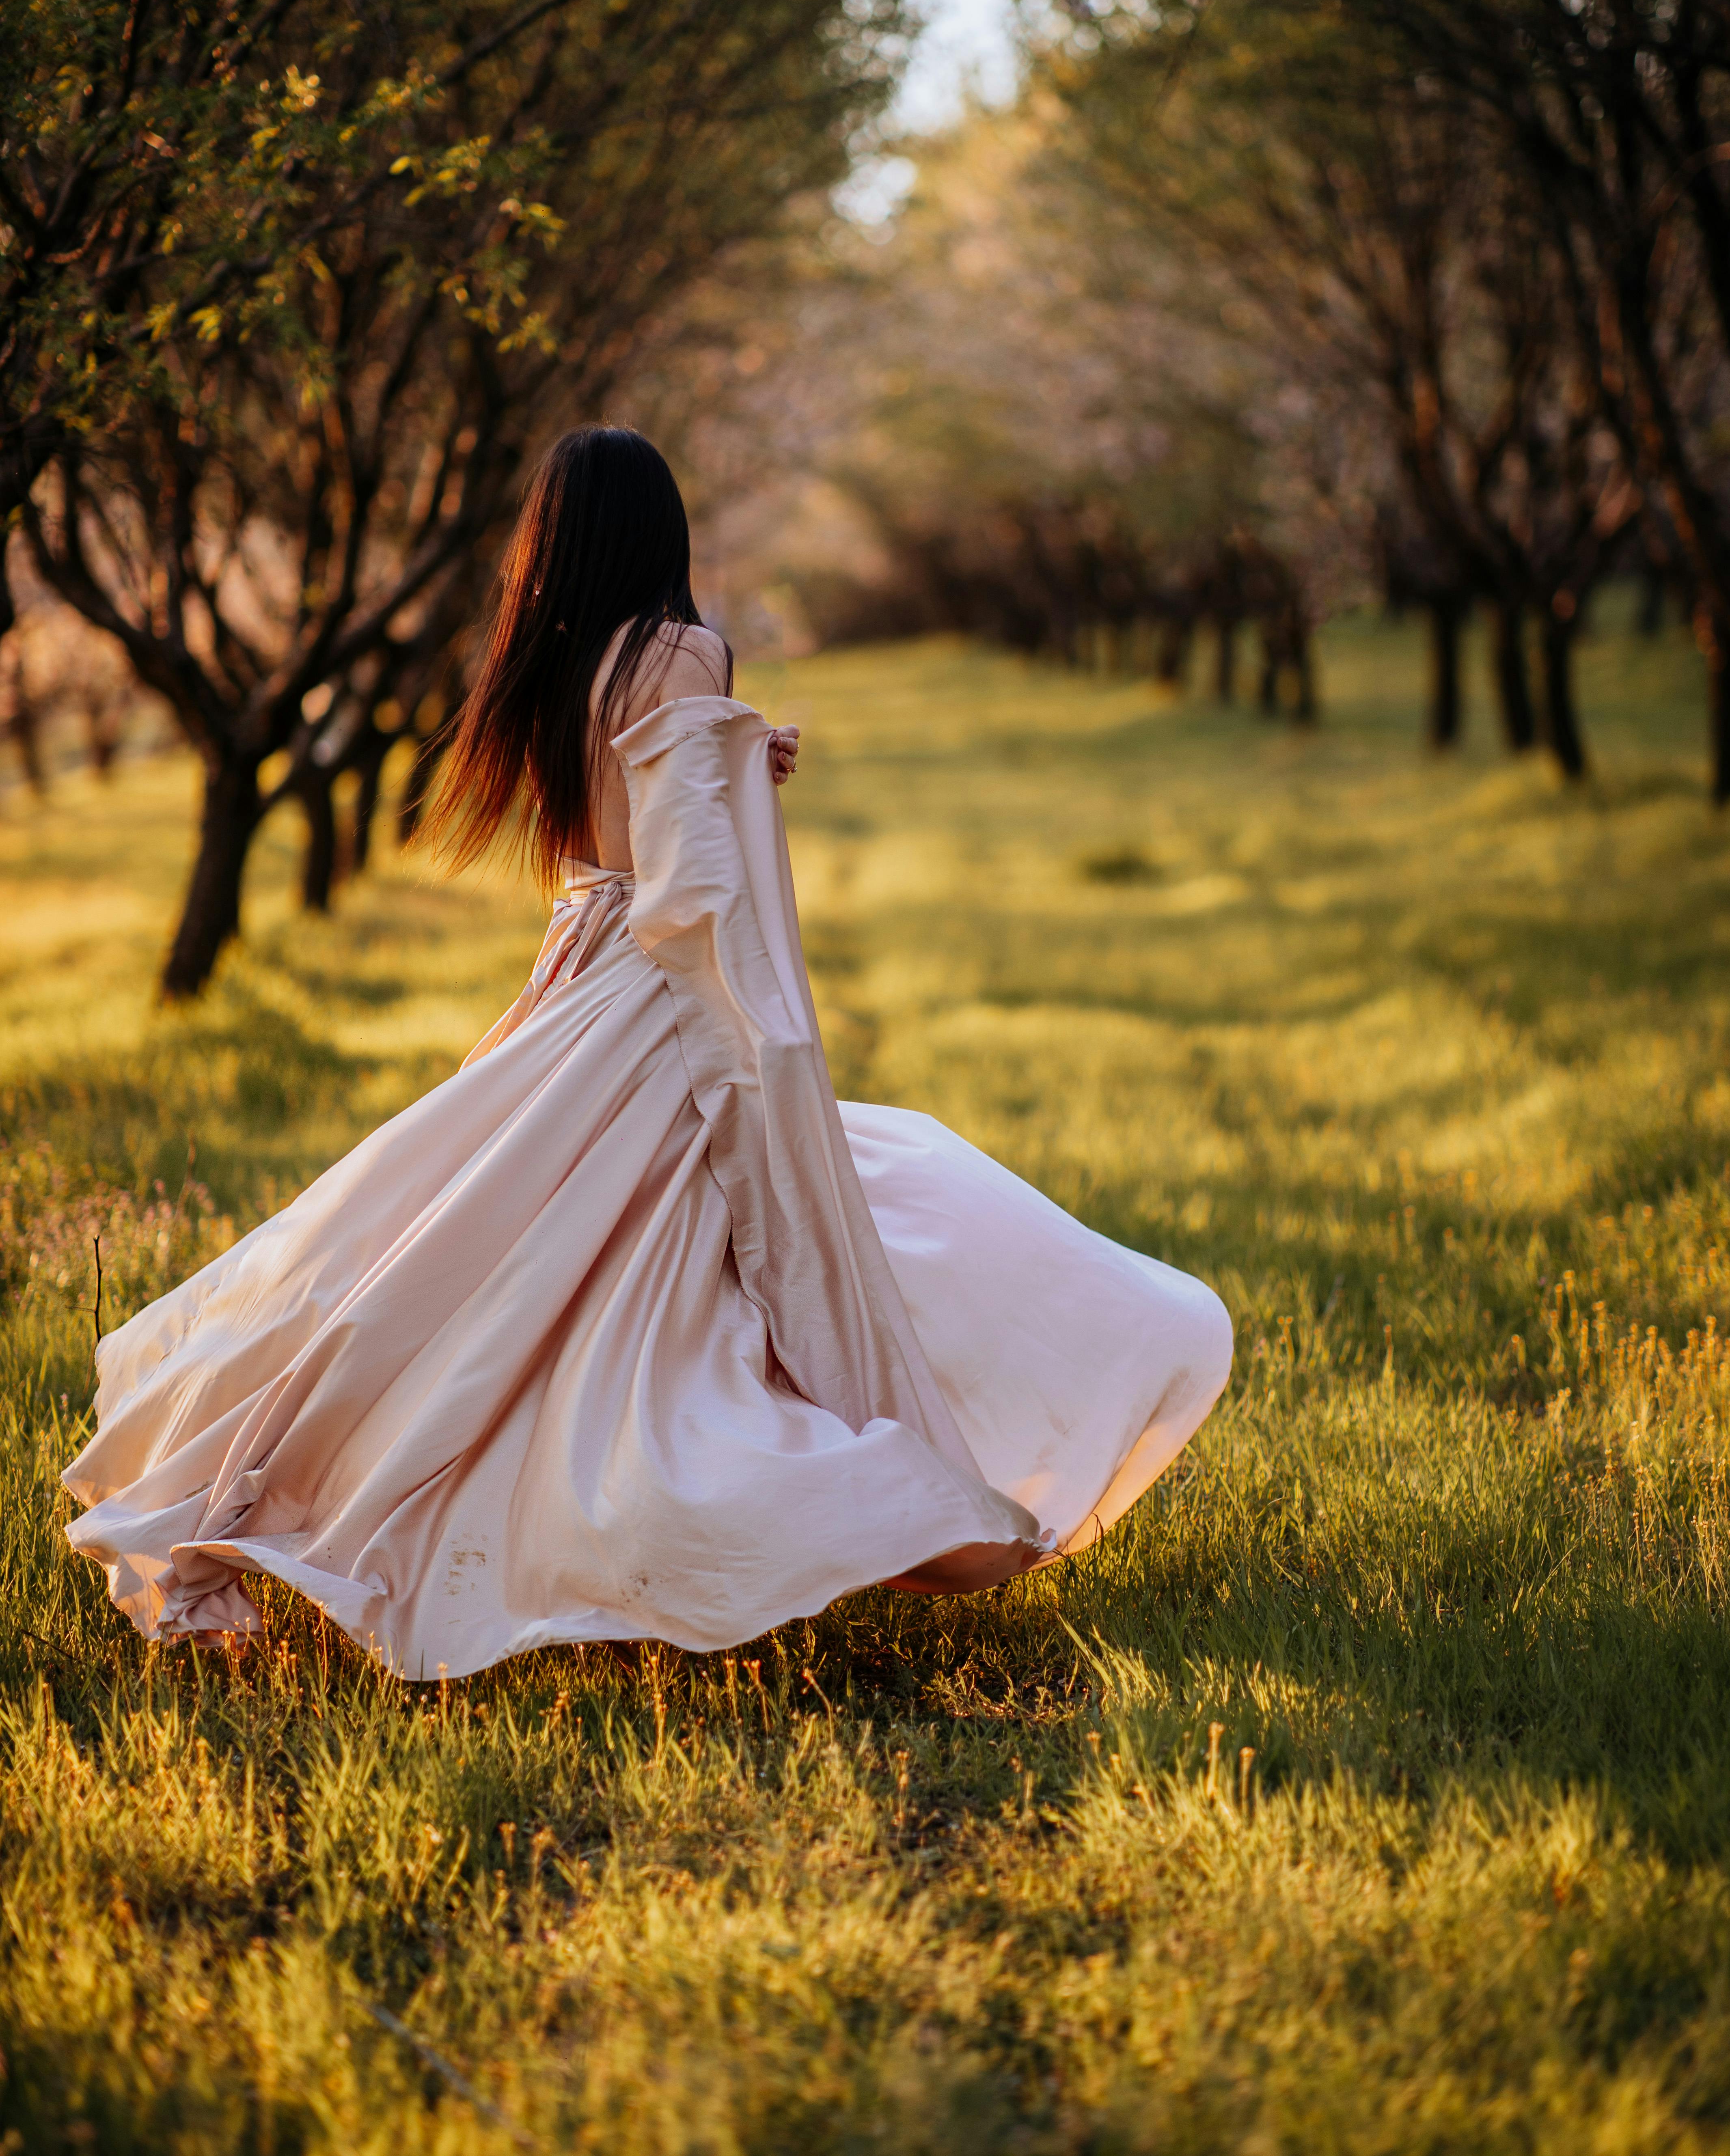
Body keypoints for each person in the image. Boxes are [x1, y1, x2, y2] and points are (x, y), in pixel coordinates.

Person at [63, 427, 1232, 1676]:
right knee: (717, 1245)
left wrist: (740, 767)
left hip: (579, 970)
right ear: (657, 532)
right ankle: (697, 1517)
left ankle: (461, 1514)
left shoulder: (556, 663)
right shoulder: (680, 650)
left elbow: (618, 832)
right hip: (656, 992)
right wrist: (758, 1021)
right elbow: (685, 885)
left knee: (520, 1262)